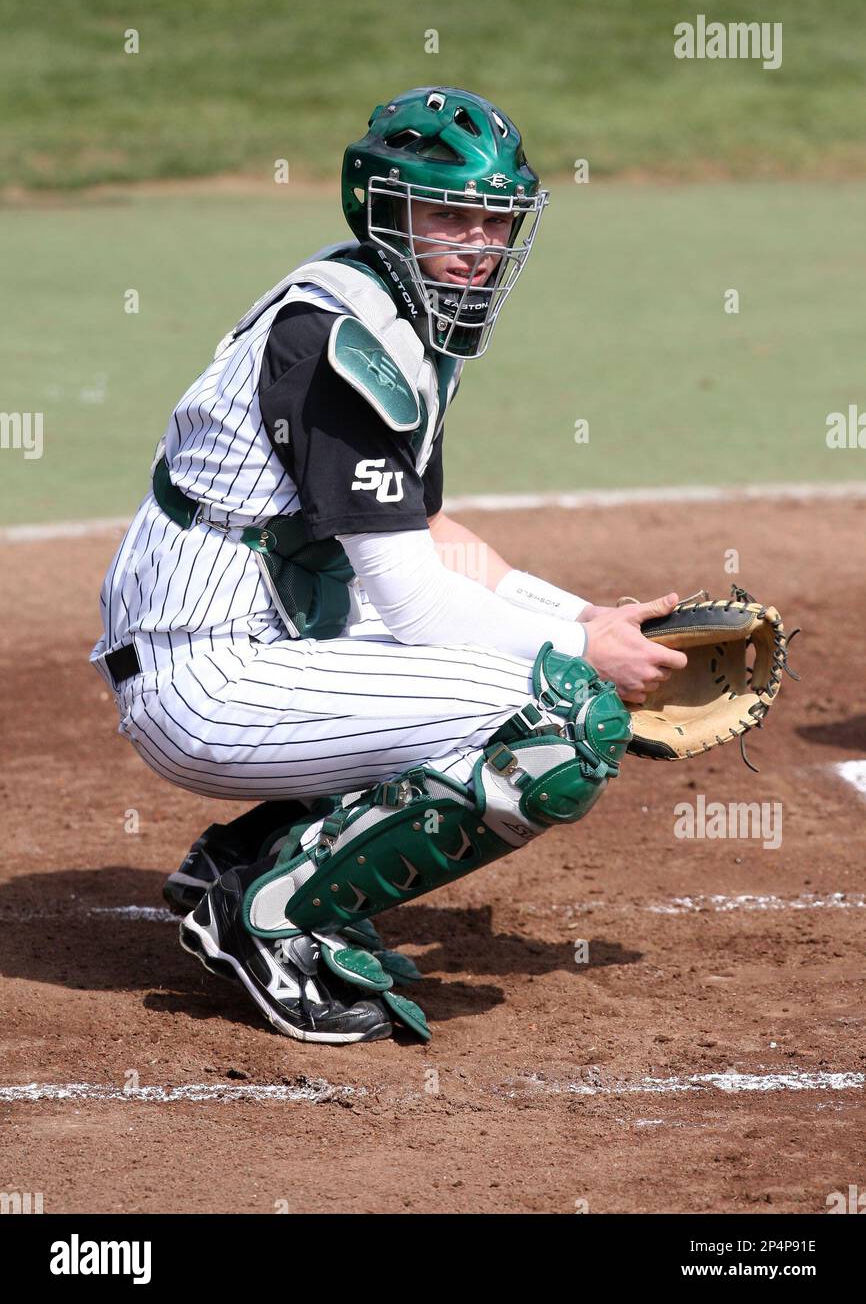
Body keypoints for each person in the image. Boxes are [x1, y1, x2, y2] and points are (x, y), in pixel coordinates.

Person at [91, 86, 686, 1044]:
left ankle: (246, 864)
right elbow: (412, 601)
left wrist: (603, 626)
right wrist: (579, 650)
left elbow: (439, 541)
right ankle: (272, 923)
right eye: (448, 214)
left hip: (271, 627)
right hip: (207, 674)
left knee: (556, 676)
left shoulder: (404, 323)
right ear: (382, 206)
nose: (477, 244)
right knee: (565, 723)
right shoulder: (341, 341)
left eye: (493, 220)